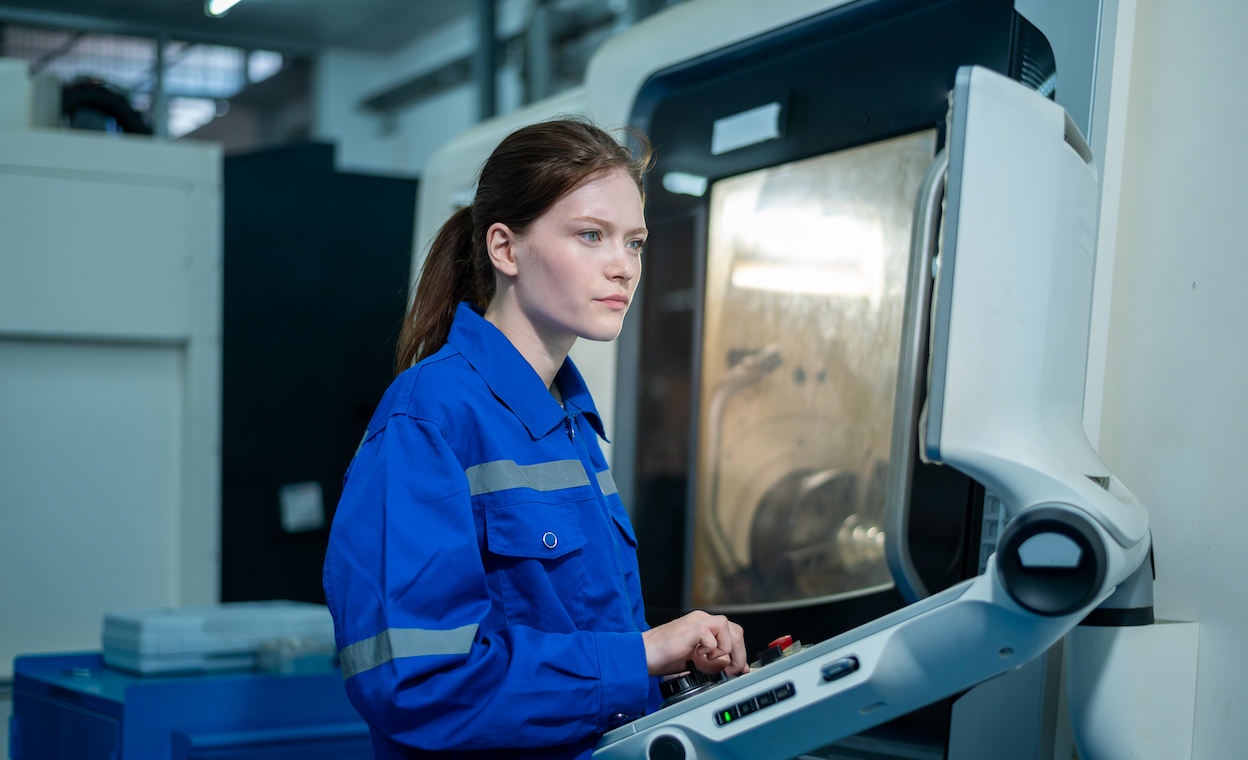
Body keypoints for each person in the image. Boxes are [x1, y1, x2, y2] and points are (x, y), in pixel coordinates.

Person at [323, 118, 749, 760]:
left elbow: (582, 637)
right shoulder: (429, 419)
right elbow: (417, 683)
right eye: (590, 235)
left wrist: (673, 669)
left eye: (634, 243)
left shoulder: (569, 421)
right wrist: (639, 655)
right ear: (505, 249)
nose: (623, 267)